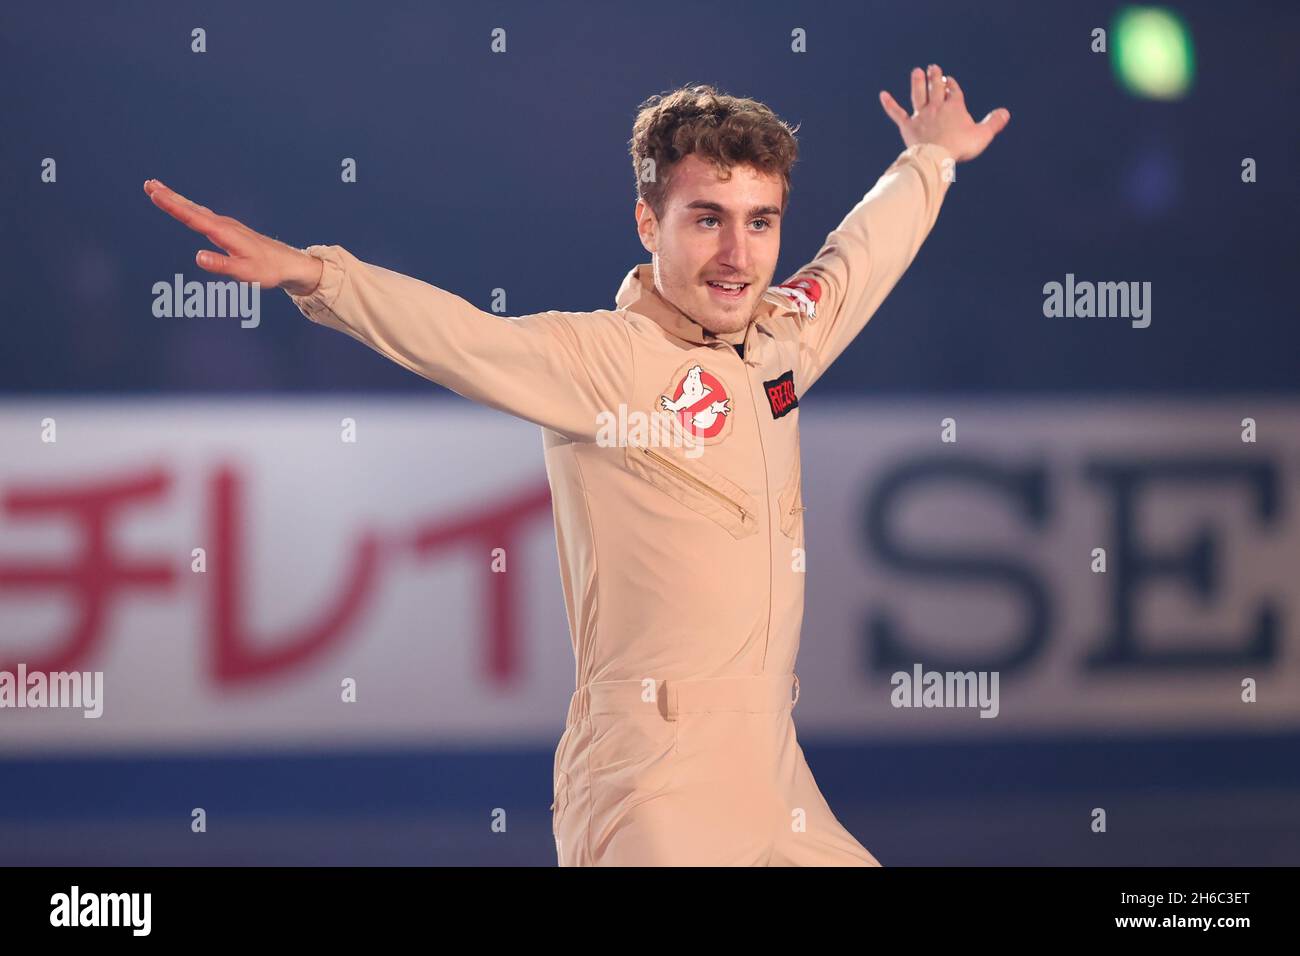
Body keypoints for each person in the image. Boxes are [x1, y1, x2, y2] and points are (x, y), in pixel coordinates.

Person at [144, 66, 1009, 866]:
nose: (739, 255)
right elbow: (460, 338)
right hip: (651, 779)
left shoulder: (781, 339)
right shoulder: (603, 360)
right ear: (648, 222)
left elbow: (858, 261)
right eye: (707, 219)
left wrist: (929, 157)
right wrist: (313, 273)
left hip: (776, 772)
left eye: (761, 222)